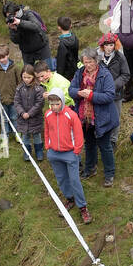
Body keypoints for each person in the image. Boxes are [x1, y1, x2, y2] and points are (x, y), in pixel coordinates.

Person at [70, 47, 119, 188]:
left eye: (90, 62)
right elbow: (71, 89)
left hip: (102, 117)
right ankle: (90, 169)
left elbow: (110, 95)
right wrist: (80, 93)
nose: (88, 65)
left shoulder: (105, 74)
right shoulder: (79, 73)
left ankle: (109, 174)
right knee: (89, 144)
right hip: (84, 117)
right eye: (85, 62)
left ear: (96, 60)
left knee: (105, 146)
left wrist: (91, 96)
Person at [43, 89, 91, 222]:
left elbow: (78, 134)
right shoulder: (47, 115)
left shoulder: (71, 115)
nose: (54, 107)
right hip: (54, 154)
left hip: (70, 153)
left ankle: (83, 207)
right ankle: (70, 199)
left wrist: (76, 151)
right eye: (51, 104)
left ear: (62, 102)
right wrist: (48, 146)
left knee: (75, 180)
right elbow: (46, 130)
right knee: (61, 179)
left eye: (56, 104)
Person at [14, 65, 45, 161]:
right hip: (22, 118)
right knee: (25, 136)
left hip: (35, 118)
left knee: (37, 135)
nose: (26, 79)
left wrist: (30, 113)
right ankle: (27, 153)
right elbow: (17, 102)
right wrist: (22, 113)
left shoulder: (38, 88)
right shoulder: (19, 88)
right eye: (24, 77)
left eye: (29, 77)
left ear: (33, 77)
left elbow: (39, 103)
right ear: (21, 76)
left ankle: (39, 151)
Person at [4, 1, 50, 67]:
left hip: (41, 47)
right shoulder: (11, 21)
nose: (10, 17)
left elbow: (36, 26)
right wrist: (15, 30)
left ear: (17, 12)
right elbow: (15, 41)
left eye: (11, 15)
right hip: (27, 51)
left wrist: (20, 22)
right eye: (7, 16)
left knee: (48, 71)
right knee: (28, 74)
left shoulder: (28, 13)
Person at [98, 32, 132, 116]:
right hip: (101, 91)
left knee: (115, 114)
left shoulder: (120, 57)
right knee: (102, 112)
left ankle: (115, 128)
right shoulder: (98, 57)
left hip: (116, 92)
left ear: (115, 45)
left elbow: (126, 74)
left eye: (111, 45)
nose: (108, 48)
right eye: (106, 45)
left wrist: (113, 85)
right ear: (102, 45)